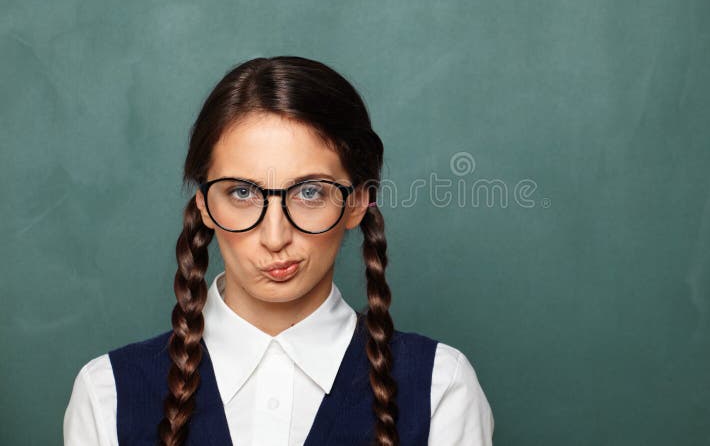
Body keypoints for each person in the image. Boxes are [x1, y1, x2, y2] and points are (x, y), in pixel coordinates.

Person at [63, 56, 494, 445]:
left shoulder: (441, 387)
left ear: (358, 202)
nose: (274, 237)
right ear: (205, 206)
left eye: (309, 192)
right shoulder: (106, 394)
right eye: (241, 192)